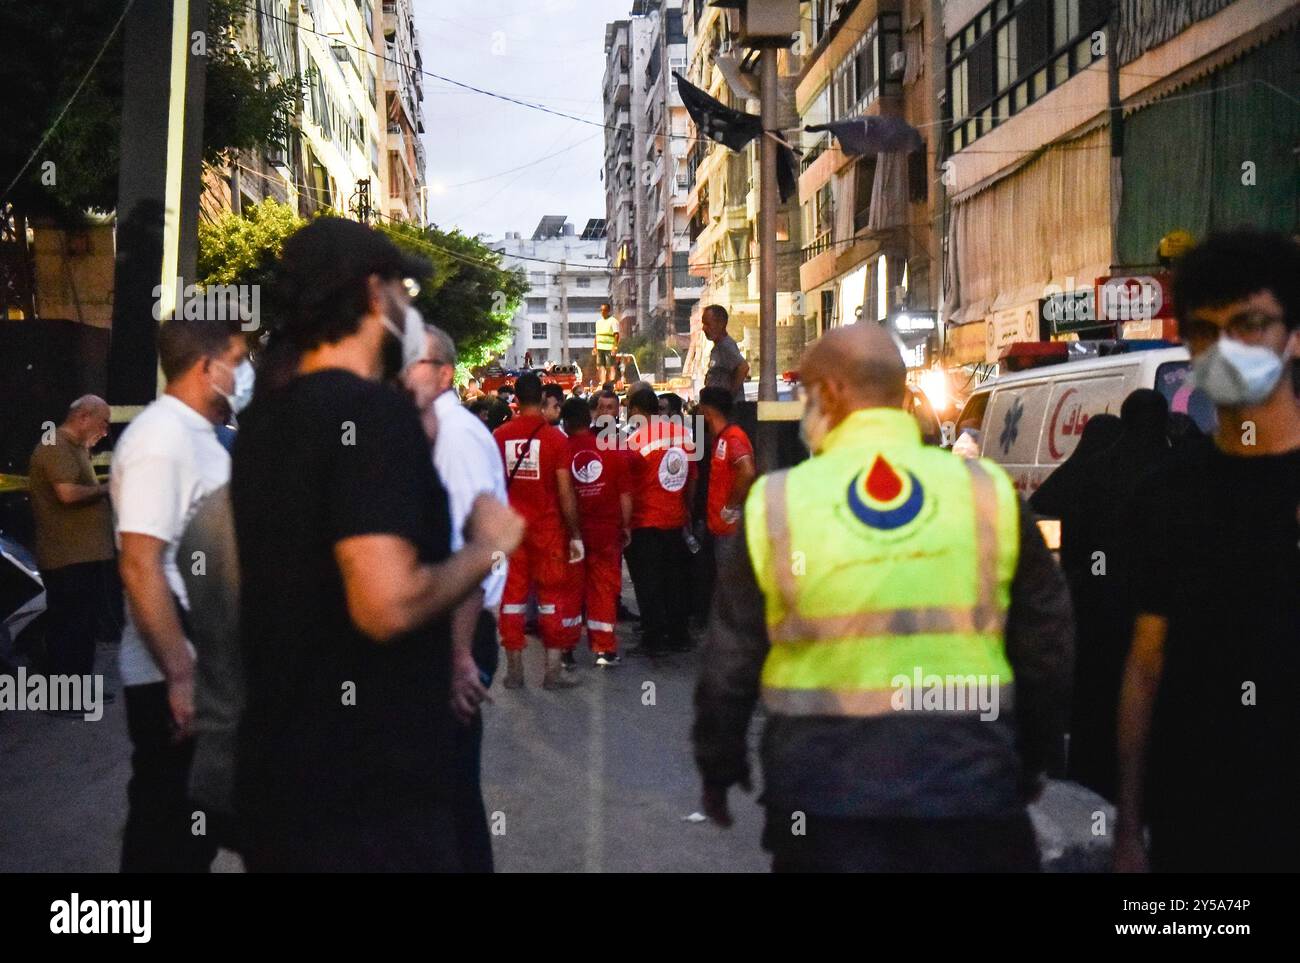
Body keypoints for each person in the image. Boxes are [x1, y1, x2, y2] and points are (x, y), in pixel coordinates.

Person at [693, 323, 1074, 872]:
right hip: (971, 792)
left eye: (805, 393)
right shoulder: (987, 493)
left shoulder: (778, 504)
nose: (804, 409)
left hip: (824, 804)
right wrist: (1033, 756)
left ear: (831, 394)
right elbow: (1047, 644)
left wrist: (719, 765)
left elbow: (730, 659)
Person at [230, 218, 523, 872]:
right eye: (404, 290)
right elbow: (385, 604)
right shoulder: (368, 414)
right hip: (367, 792)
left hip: (285, 774)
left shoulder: (265, 419)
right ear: (372, 293)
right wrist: (485, 546)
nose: (408, 308)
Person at [1115, 230, 1300, 873]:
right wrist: (1128, 830)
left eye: (1249, 324)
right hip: (1198, 819)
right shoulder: (1166, 495)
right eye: (1205, 330)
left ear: (1293, 336)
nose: (1227, 349)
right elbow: (1145, 665)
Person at [110, 316, 247, 872]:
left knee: (195, 826)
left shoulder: (198, 436)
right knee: (166, 829)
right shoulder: (161, 440)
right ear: (206, 367)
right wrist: (181, 675)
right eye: (236, 363)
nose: (242, 375)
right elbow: (141, 564)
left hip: (208, 667)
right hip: (174, 675)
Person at [404, 323, 508, 872]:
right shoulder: (425, 431)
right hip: (440, 628)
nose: (402, 375)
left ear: (444, 374)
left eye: (413, 364)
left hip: (458, 631)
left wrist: (459, 656)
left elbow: (472, 550)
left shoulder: (456, 437)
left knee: (450, 791)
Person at [1057, 391, 1169, 801]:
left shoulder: (1096, 470)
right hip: (1160, 606)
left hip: (1101, 604)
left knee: (1098, 690)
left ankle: (1096, 772)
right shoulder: (1174, 472)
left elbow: (1076, 543)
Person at [493, 371, 584, 690]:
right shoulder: (556, 440)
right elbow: (566, 492)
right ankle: (553, 672)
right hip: (548, 532)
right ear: (542, 398)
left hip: (511, 532)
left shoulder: (500, 436)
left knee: (511, 599)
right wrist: (575, 534)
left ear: (516, 399)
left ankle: (514, 671)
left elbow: (492, 487)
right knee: (551, 598)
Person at [27, 395, 117, 682]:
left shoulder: (77, 448)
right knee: (70, 628)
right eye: (103, 422)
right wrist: (107, 488)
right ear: (83, 416)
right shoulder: (56, 445)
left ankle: (79, 687)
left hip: (83, 556)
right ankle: (64, 695)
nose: (105, 430)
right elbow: (66, 494)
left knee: (84, 627)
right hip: (67, 557)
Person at [624, 385, 698, 656]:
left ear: (635, 409)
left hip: (645, 521)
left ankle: (654, 639)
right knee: (674, 580)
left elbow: (627, 487)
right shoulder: (684, 435)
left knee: (649, 583)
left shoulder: (634, 441)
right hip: (675, 518)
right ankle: (679, 635)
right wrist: (686, 509)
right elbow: (692, 477)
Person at [561, 398, 632, 667]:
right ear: (589, 419)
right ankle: (604, 649)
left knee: (570, 589)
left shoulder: (561, 451)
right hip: (606, 533)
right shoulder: (610, 449)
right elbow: (625, 494)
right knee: (603, 589)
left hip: (571, 533)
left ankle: (565, 649)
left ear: (566, 423)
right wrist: (626, 526)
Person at [702, 304, 749, 402]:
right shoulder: (718, 348)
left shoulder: (726, 346)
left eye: (708, 324)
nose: (704, 328)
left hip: (727, 410)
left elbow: (743, 367)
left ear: (721, 324)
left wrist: (728, 398)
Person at [594, 303, 619, 385]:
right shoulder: (598, 322)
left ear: (608, 311)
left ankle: (611, 382)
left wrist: (615, 347)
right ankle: (603, 382)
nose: (602, 312)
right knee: (600, 366)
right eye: (601, 310)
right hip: (600, 347)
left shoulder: (613, 321)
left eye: (604, 310)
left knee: (610, 365)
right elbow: (596, 335)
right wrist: (595, 347)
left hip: (609, 347)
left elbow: (616, 335)